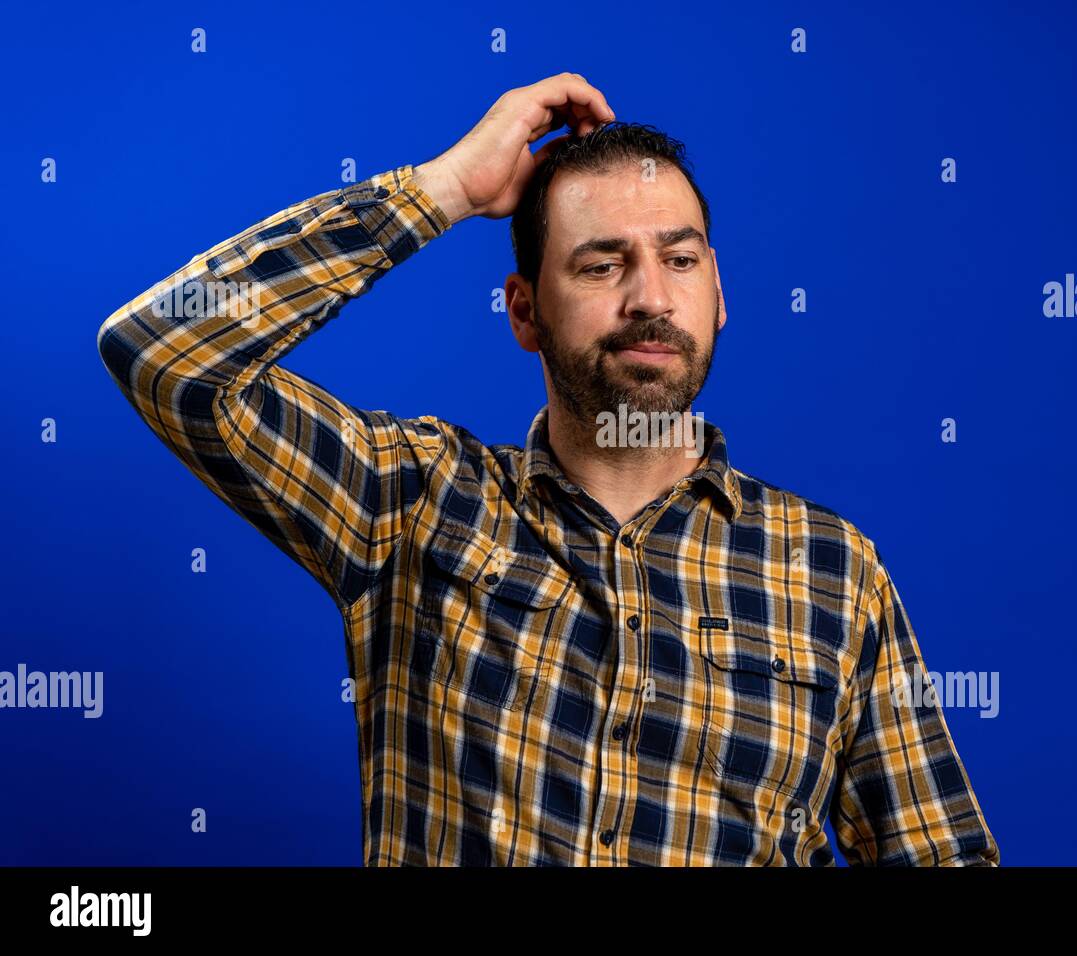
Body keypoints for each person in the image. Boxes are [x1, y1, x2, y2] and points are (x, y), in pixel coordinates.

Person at [97, 73, 999, 866]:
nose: (650, 297)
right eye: (602, 264)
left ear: (719, 295)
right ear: (524, 312)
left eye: (679, 260)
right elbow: (165, 351)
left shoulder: (834, 572)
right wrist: (443, 189)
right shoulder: (414, 503)